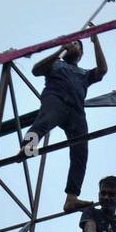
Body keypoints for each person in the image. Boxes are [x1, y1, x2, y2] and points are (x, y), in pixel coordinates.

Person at [22, 33, 108, 214]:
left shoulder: (84, 73)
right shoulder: (56, 64)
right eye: (71, 42)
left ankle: (71, 197)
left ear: (81, 54)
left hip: (76, 110)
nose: (73, 45)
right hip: (56, 99)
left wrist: (95, 40)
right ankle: (28, 147)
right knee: (45, 120)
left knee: (81, 151)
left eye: (77, 44)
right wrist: (60, 49)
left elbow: (102, 70)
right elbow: (36, 70)